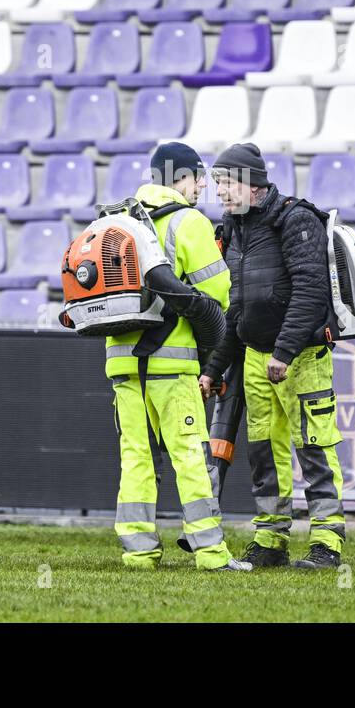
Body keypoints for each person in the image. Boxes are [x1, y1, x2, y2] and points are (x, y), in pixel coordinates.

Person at [105, 142, 252, 572]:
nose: (203, 185)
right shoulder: (189, 222)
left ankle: (138, 553)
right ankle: (211, 553)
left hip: (123, 363)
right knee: (189, 454)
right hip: (172, 366)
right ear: (180, 178)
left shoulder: (118, 219)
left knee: (135, 455)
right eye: (197, 176)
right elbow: (219, 295)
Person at [199, 143, 346, 570]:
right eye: (217, 184)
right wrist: (213, 368)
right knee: (264, 453)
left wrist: (283, 351)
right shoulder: (232, 228)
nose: (220, 193)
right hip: (254, 360)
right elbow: (235, 308)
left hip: (302, 358)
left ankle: (327, 544)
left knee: (314, 449)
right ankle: (270, 539)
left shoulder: (296, 219)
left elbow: (310, 290)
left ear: (249, 182)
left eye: (225, 183)